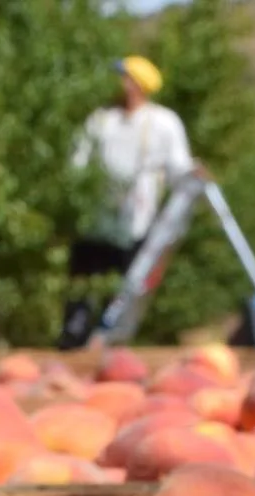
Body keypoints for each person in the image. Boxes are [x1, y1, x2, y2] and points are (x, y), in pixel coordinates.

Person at [58, 55, 195, 350]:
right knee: (82, 279)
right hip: (96, 217)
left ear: (139, 85)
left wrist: (190, 181)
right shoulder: (101, 118)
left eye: (127, 78)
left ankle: (112, 339)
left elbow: (178, 170)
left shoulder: (163, 122)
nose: (121, 84)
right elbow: (78, 161)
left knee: (127, 283)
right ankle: (73, 337)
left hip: (136, 219)